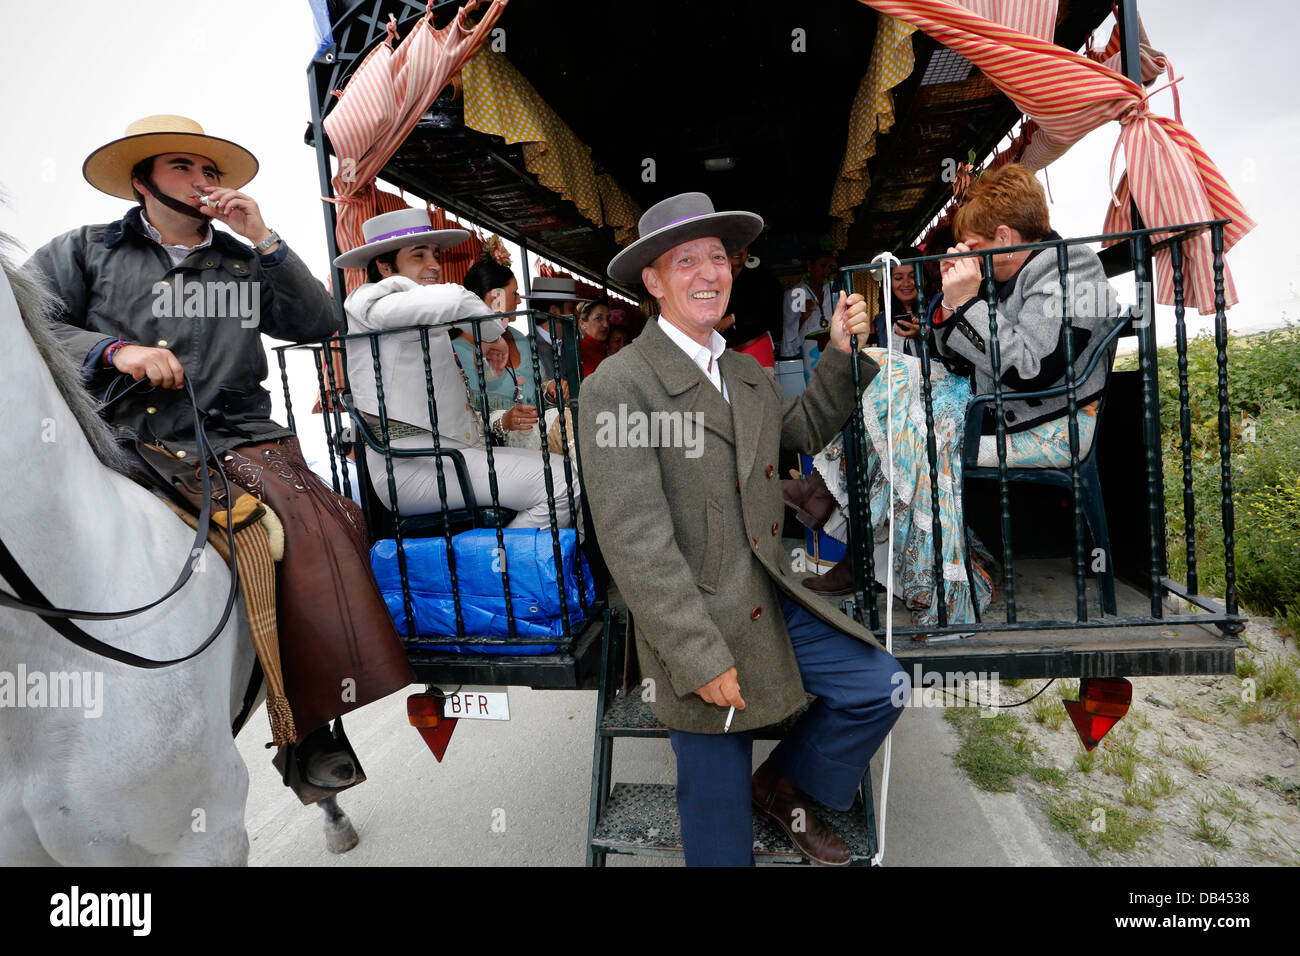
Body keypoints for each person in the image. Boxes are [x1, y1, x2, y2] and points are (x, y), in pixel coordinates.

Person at [24, 114, 413, 791]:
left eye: (210, 171)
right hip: (122, 442)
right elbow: (33, 323)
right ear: (142, 181)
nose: (203, 181)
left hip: (240, 440)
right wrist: (114, 351)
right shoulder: (82, 250)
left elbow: (320, 322)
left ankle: (310, 731)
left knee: (314, 531)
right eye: (184, 167)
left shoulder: (242, 258)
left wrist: (265, 237)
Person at [581, 191, 908, 867]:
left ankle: (784, 781)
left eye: (718, 257)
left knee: (879, 686)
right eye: (685, 260)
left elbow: (796, 434)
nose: (708, 273)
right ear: (653, 280)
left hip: (769, 594)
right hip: (695, 619)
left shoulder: (744, 372)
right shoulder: (620, 385)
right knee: (719, 834)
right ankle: (748, 797)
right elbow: (634, 542)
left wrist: (842, 357)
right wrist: (697, 657)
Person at [337, 208, 579, 529]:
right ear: (384, 266)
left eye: (435, 254)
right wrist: (493, 333)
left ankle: (503, 562)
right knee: (560, 483)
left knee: (564, 472)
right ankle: (498, 571)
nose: (434, 264)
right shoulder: (368, 301)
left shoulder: (422, 315)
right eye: (419, 255)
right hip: (412, 467)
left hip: (448, 456)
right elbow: (457, 301)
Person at [458, 257, 570, 452]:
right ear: (496, 297)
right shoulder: (456, 349)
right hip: (490, 449)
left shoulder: (519, 339)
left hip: (537, 434)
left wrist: (551, 391)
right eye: (515, 293)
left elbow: (539, 393)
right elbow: (457, 418)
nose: (519, 300)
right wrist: (503, 421)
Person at [780, 249, 837, 375]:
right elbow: (789, 333)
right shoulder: (797, 294)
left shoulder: (834, 291)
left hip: (835, 349)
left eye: (830, 267)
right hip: (811, 352)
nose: (827, 271)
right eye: (823, 266)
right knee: (816, 391)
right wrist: (803, 316)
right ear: (809, 265)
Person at [522, 275, 585, 382]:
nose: (577, 314)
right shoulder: (526, 349)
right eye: (572, 308)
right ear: (554, 311)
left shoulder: (569, 345)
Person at [576, 299, 611, 377]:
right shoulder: (578, 351)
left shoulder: (605, 349)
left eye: (608, 318)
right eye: (598, 318)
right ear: (582, 324)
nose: (606, 325)